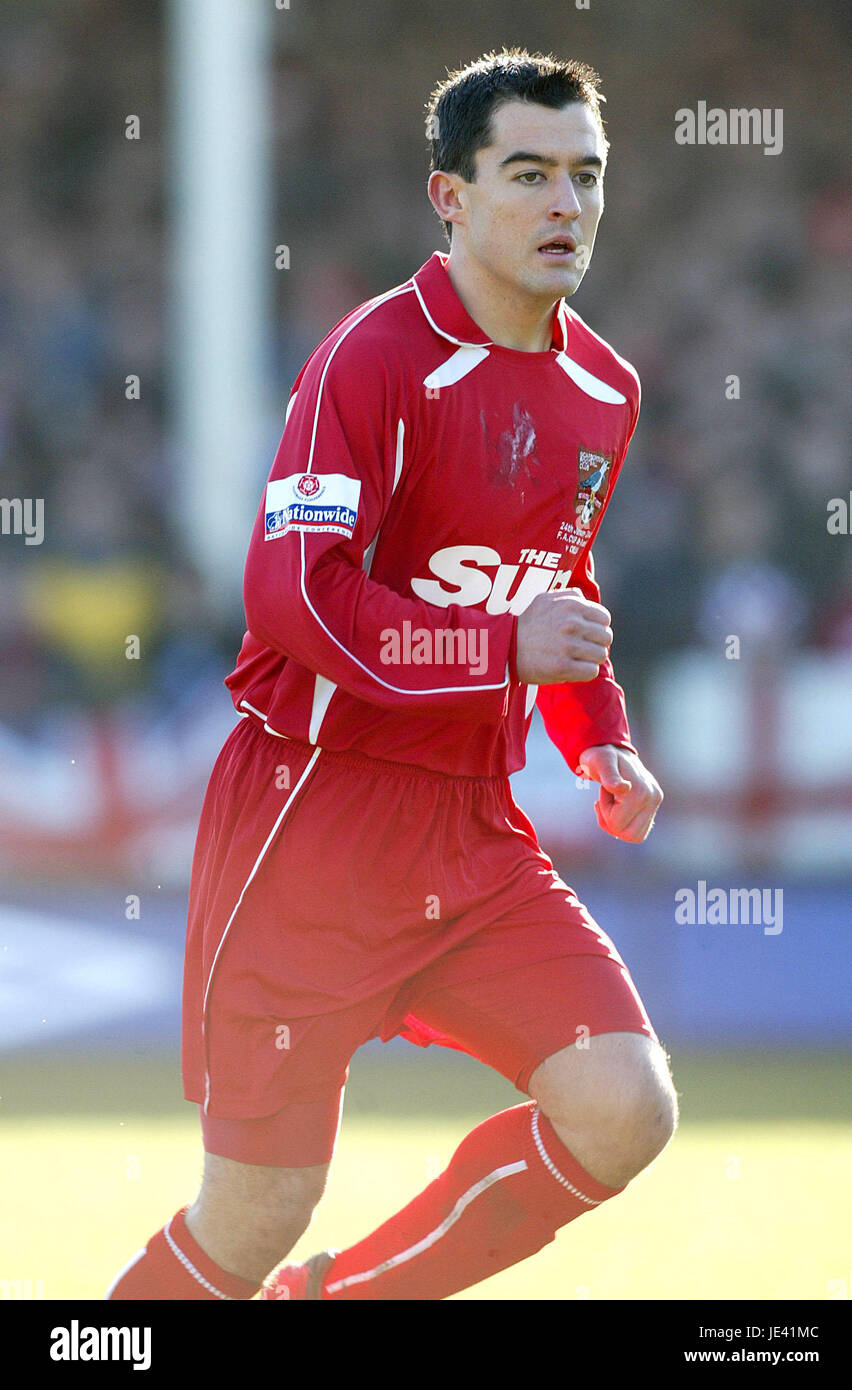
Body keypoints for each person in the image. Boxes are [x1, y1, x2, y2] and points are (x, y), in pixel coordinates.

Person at [108, 47, 677, 1303]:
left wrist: (597, 733)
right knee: (255, 1211)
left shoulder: (605, 389)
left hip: (473, 833)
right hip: (311, 820)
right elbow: (292, 596)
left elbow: (549, 590)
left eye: (584, 176)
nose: (563, 205)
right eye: (525, 174)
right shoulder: (371, 359)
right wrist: (498, 654)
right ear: (450, 196)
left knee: (622, 1106)